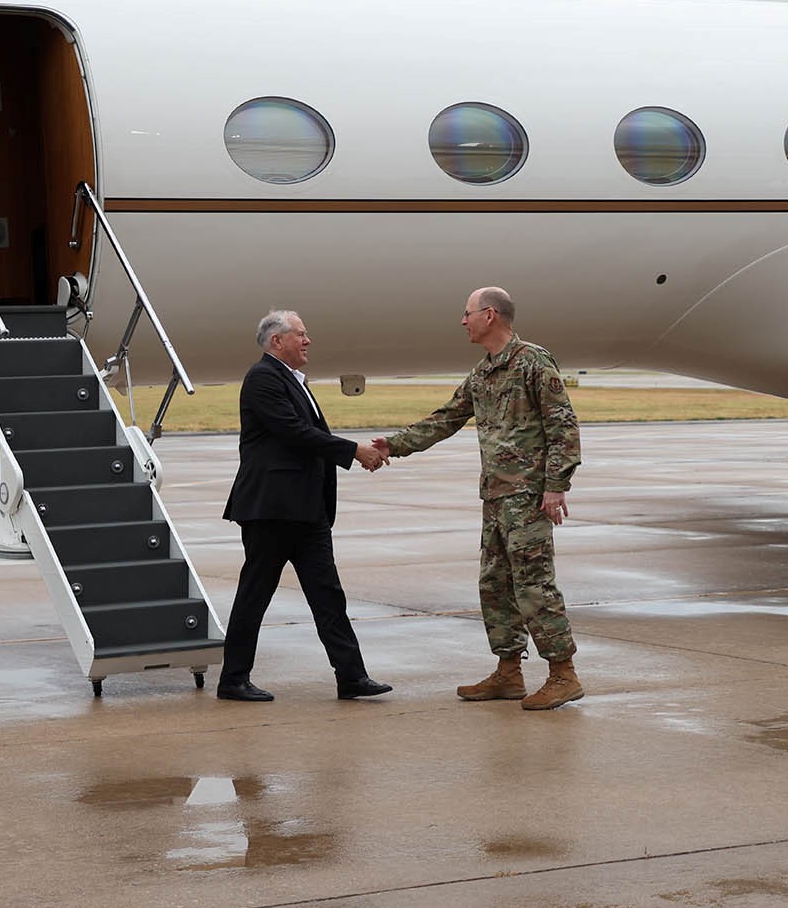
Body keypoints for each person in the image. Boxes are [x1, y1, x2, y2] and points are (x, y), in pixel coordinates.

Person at [373, 287, 583, 710]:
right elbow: (446, 419)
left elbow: (564, 427)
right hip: (496, 498)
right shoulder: (482, 374)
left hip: (528, 498)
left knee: (534, 586)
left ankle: (563, 674)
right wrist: (392, 446)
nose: (462, 321)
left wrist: (556, 486)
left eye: (467, 314)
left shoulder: (533, 362)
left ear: (489, 315)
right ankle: (508, 673)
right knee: (495, 585)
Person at [218, 310, 392, 703]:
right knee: (255, 594)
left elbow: (308, 435)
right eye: (300, 334)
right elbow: (295, 434)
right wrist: (355, 451)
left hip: (306, 512)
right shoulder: (263, 377)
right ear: (276, 341)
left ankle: (351, 677)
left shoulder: (293, 380)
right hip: (272, 511)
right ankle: (233, 679)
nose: (307, 340)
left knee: (328, 595)